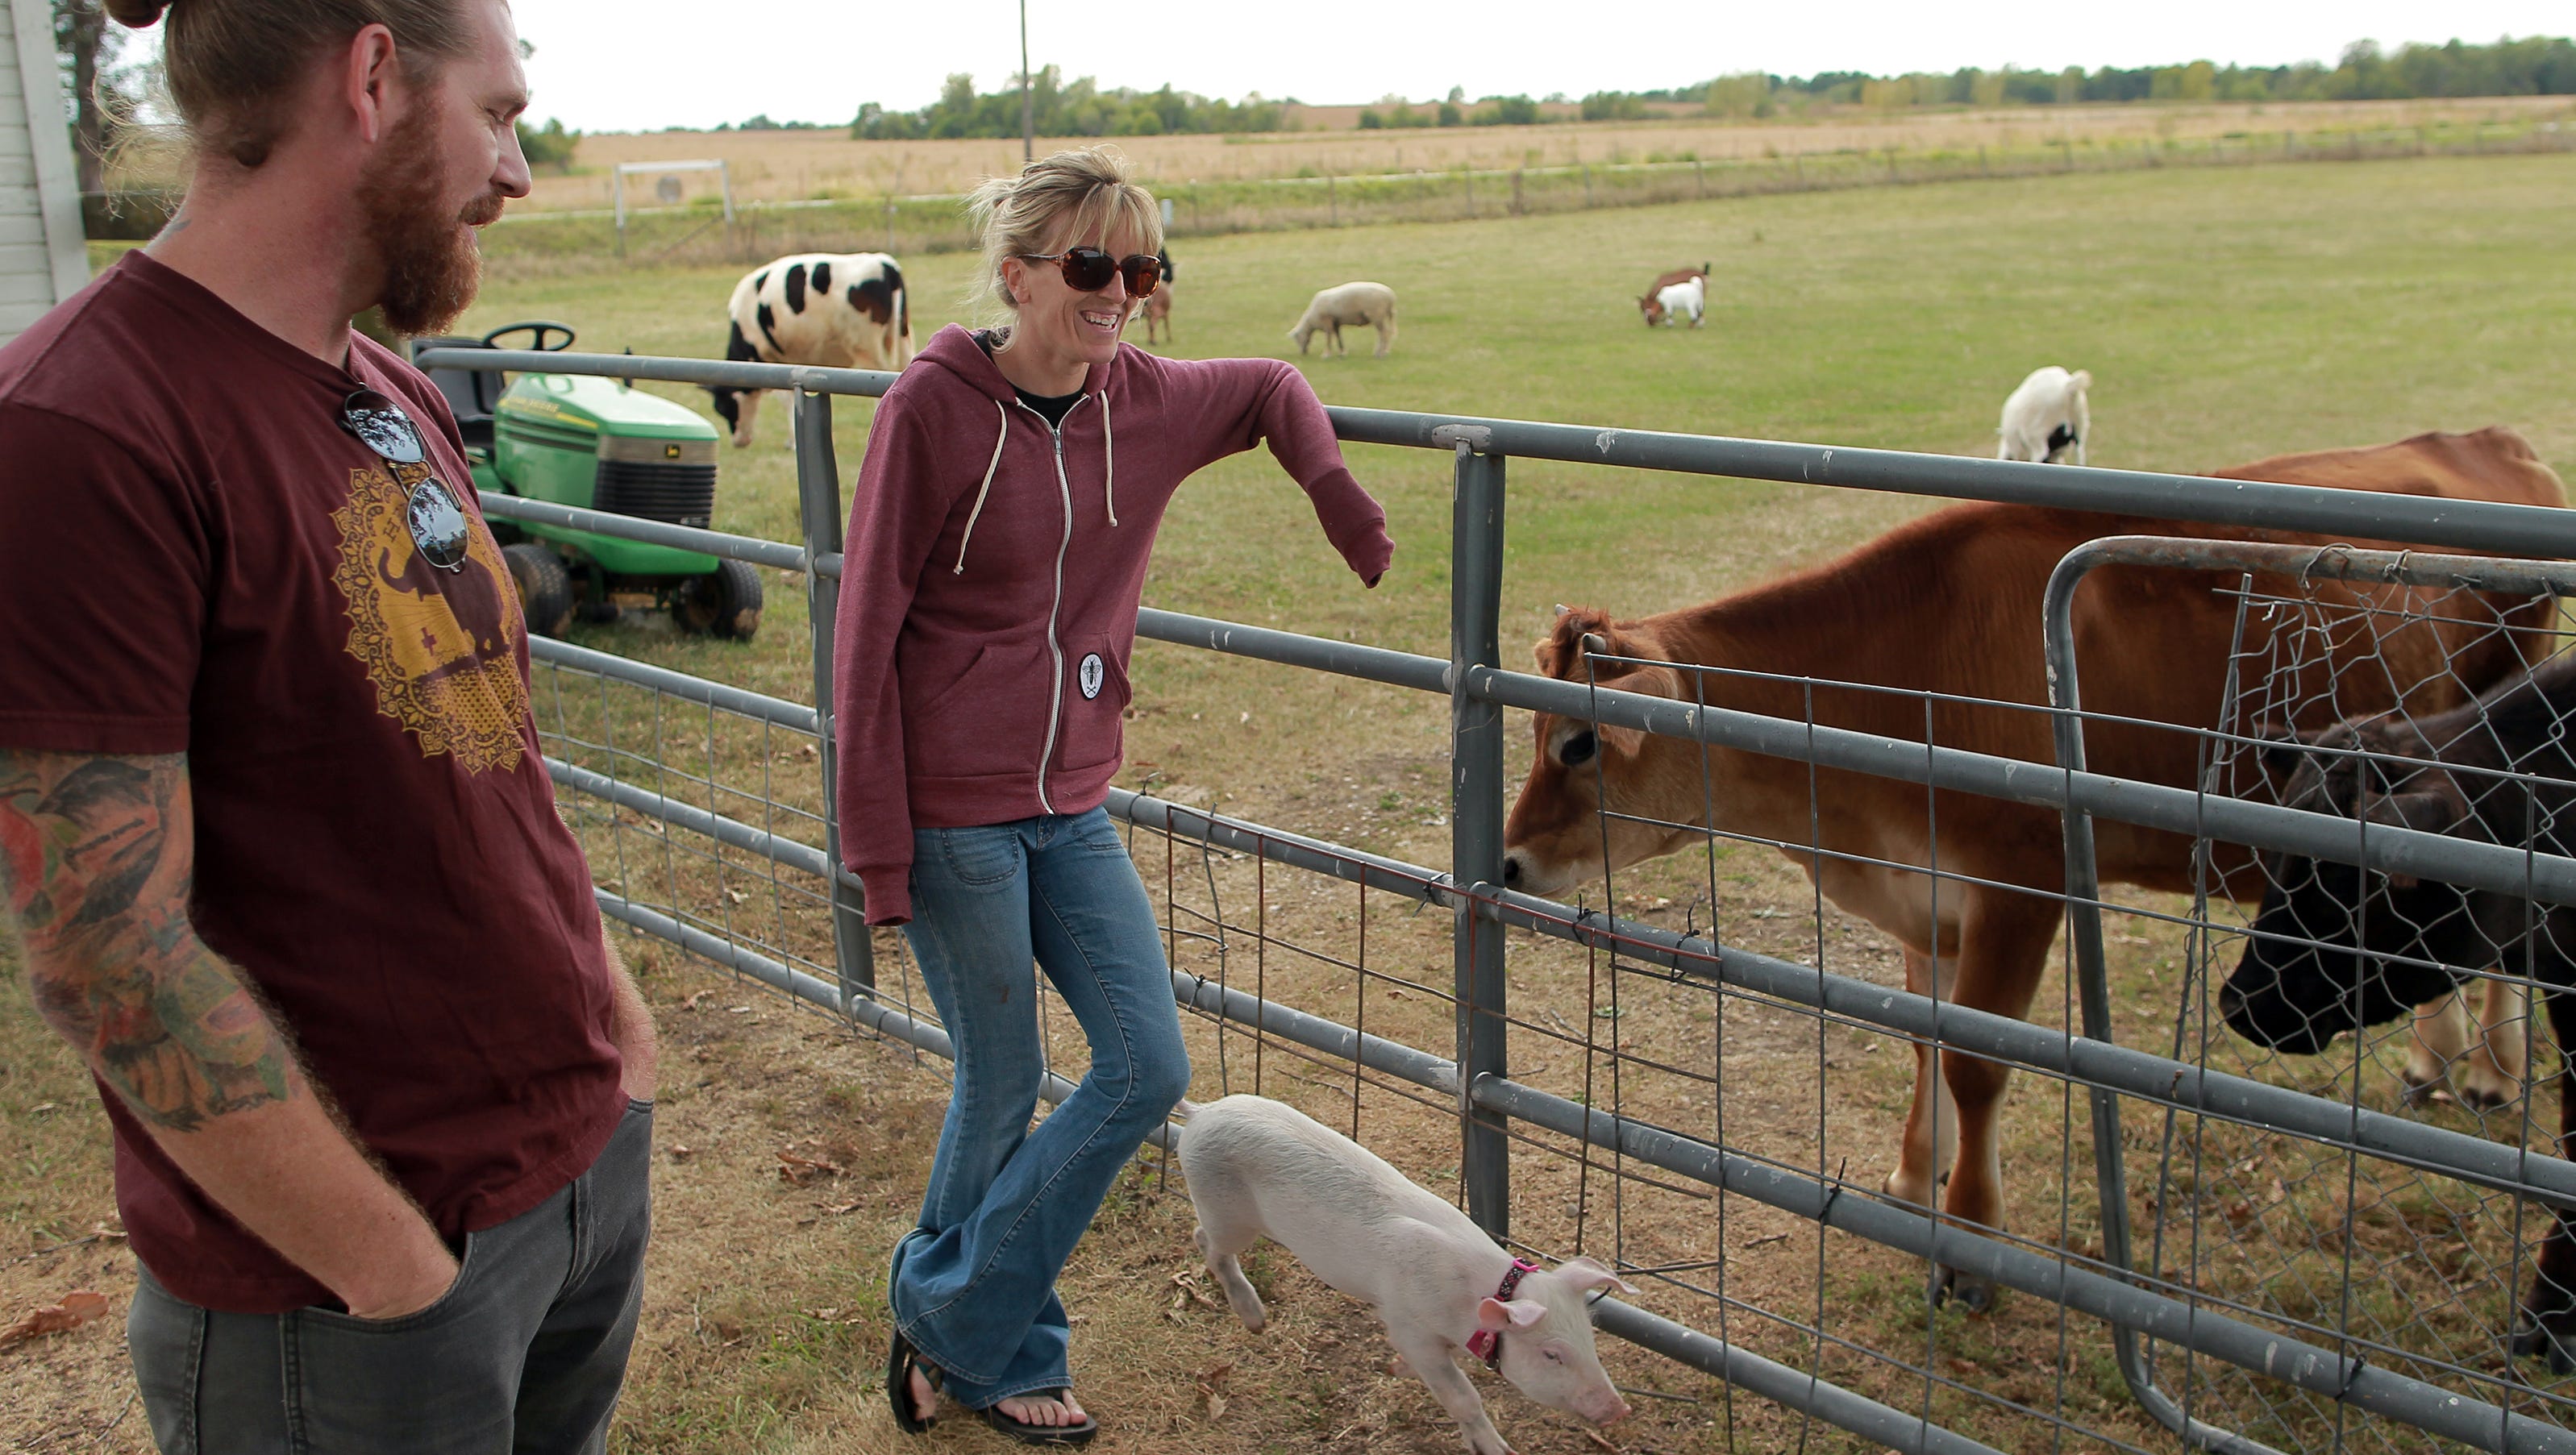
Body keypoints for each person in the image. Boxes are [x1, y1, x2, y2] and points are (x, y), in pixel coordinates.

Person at [0, 2, 658, 1451]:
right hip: (354, 1301)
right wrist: (393, 1273)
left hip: (573, 1180)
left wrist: (621, 1049)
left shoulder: (395, 388)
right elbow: (108, 948)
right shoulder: (81, 428)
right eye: (496, 115)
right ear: (372, 79)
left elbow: (489, 749)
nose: (519, 170)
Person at [834, 148, 1394, 1444]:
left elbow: (1270, 380)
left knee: (1147, 1064)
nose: (1120, 295)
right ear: (1019, 274)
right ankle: (1000, 1343)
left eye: (1141, 269)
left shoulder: (1140, 396)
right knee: (1004, 1072)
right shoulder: (930, 410)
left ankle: (938, 1310)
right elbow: (862, 639)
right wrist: (874, 850)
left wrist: (1338, 497)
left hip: (1071, 799)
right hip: (952, 807)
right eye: (1091, 267)